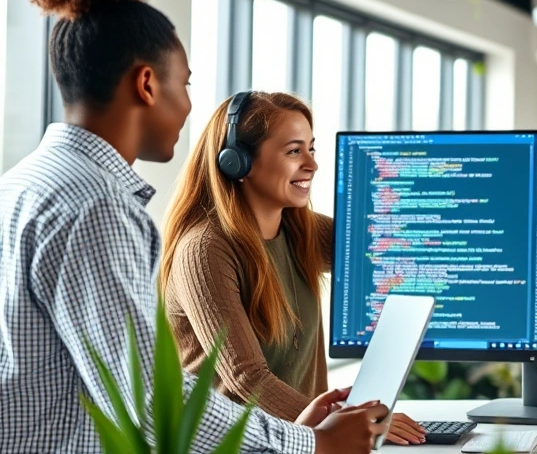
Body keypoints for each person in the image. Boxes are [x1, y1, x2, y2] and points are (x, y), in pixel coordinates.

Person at [0, 0, 386, 454]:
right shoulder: (94, 206)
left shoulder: (26, 185)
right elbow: (151, 400)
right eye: (185, 85)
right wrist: (313, 444)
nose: (187, 106)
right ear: (147, 84)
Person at [159, 91, 427, 446]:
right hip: (233, 446)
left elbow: (387, 251)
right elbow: (247, 378)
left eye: (311, 149)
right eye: (293, 151)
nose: (312, 165)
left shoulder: (299, 229)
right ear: (237, 162)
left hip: (299, 443)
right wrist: (343, 424)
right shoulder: (205, 249)